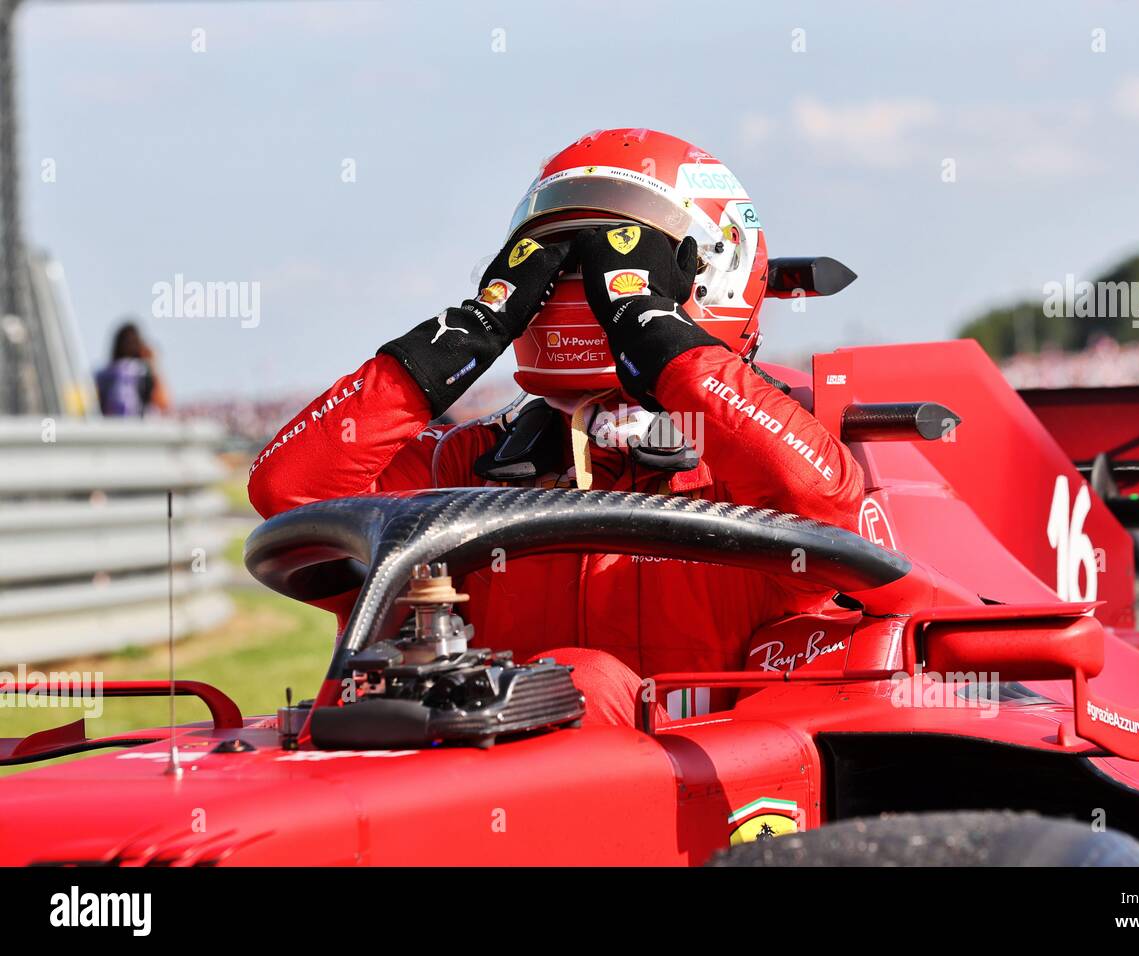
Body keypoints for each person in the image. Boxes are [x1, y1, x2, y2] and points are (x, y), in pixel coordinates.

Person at [248, 129, 863, 726]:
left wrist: (655, 332)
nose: (579, 283)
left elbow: (823, 501)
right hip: (494, 813)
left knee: (587, 680)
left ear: (704, 270)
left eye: (608, 260)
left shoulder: (757, 466)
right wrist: (464, 336)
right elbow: (290, 494)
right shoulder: (467, 464)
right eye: (561, 261)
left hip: (721, 815)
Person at [95, 321, 171, 417]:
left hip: (110, 426)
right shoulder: (144, 373)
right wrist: (153, 363)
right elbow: (163, 404)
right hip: (137, 427)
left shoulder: (103, 375)